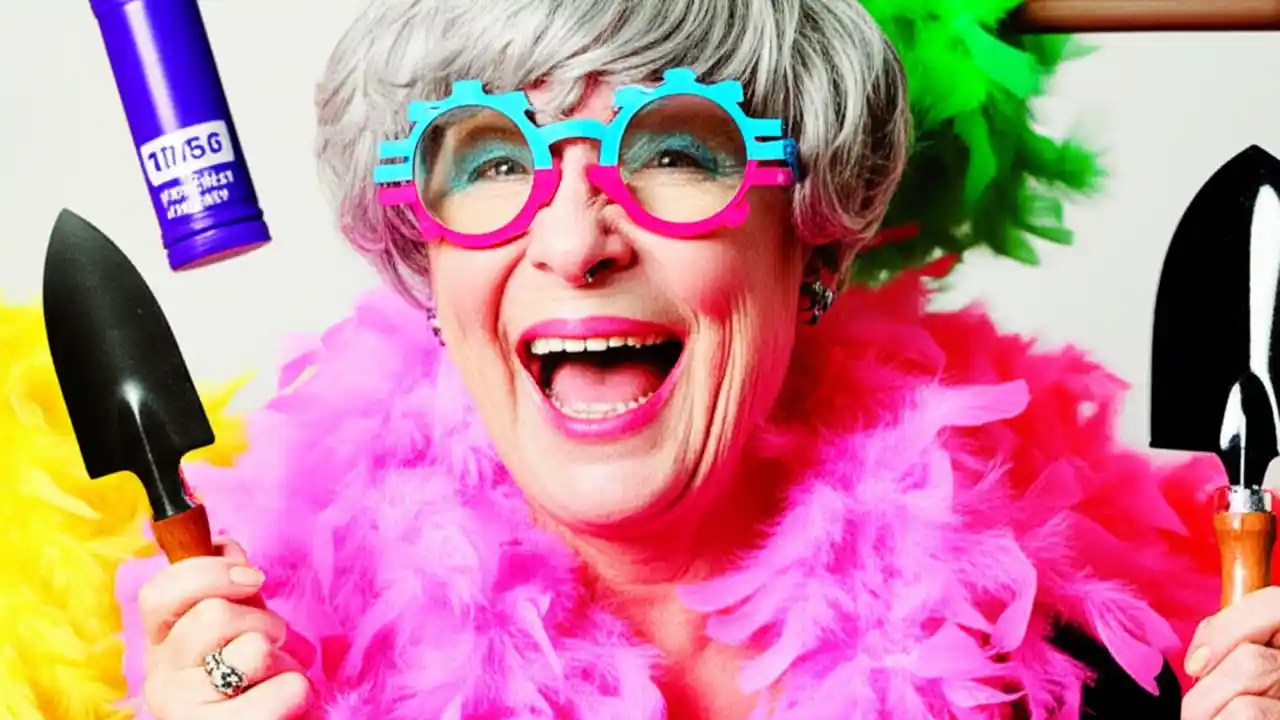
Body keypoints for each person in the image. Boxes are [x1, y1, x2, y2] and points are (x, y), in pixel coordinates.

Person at [111, 1, 1280, 718]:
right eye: (490, 159)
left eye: (674, 149)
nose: (571, 239)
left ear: (811, 240)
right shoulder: (281, 662)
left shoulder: (1058, 659)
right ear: (423, 261)